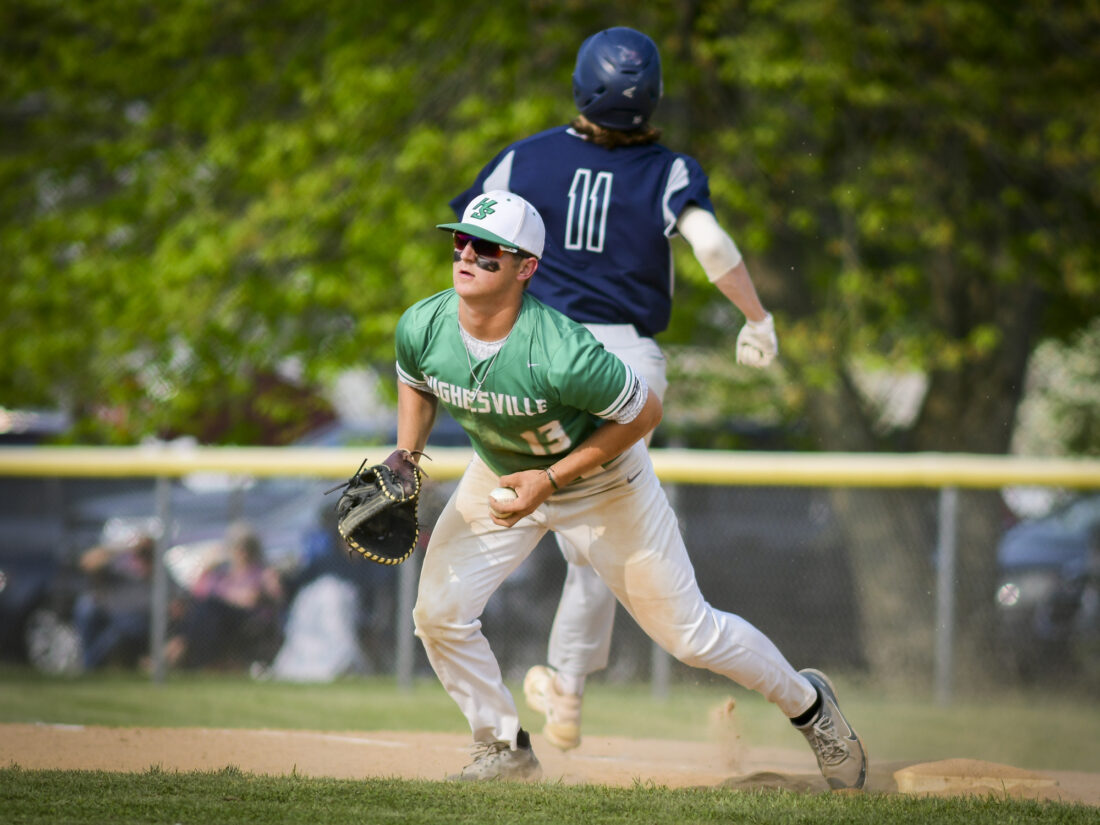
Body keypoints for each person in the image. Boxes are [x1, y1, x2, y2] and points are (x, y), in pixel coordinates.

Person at [398, 190, 866, 788]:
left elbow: (643, 416)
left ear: (526, 268)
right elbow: (414, 380)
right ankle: (503, 747)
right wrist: (406, 457)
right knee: (437, 614)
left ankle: (810, 704)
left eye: (488, 249)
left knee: (691, 636)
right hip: (499, 474)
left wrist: (551, 479)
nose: (466, 254)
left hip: (603, 485)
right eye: (460, 241)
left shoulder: (563, 351)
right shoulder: (424, 323)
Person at [449, 26, 779, 752]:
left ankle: (557, 686)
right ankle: (566, 687)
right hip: (629, 360)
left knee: (580, 535)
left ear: (578, 87)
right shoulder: (668, 169)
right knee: (601, 526)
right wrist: (757, 315)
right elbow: (713, 245)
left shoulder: (525, 156)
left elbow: (472, 238)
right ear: (652, 97)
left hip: (538, 356)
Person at [164, 521, 283, 669]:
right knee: (199, 610)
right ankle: (177, 650)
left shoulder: (263, 573)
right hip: (216, 618)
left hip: (247, 620)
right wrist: (208, 564)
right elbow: (197, 591)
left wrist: (227, 595)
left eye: (246, 546)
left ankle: (177, 654)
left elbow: (255, 598)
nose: (242, 551)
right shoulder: (223, 574)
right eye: (237, 546)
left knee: (209, 608)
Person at [72, 534, 155, 670]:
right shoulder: (122, 573)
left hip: (135, 621)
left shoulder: (159, 579)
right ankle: (88, 664)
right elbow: (86, 562)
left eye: (147, 555)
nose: (142, 559)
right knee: (86, 606)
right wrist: (127, 547)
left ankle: (88, 667)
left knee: (120, 629)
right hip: (109, 614)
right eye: (140, 554)